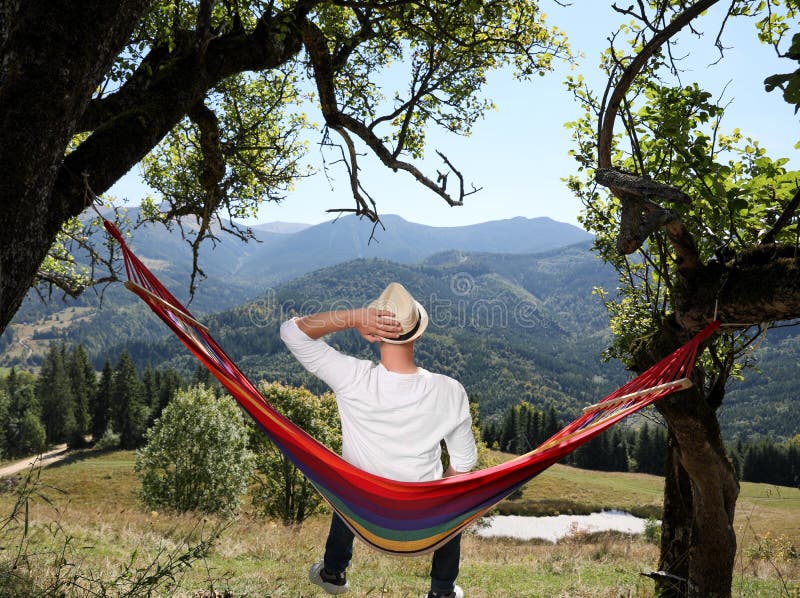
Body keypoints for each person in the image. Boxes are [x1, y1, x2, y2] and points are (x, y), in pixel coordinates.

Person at [280, 282, 478, 598]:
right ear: (418, 334)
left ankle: (333, 571)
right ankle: (442, 589)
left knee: (351, 482)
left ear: (375, 334)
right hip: (425, 524)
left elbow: (292, 333)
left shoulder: (352, 378)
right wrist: (438, 501)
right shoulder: (449, 391)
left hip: (364, 517)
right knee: (454, 494)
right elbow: (465, 464)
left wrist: (355, 317)